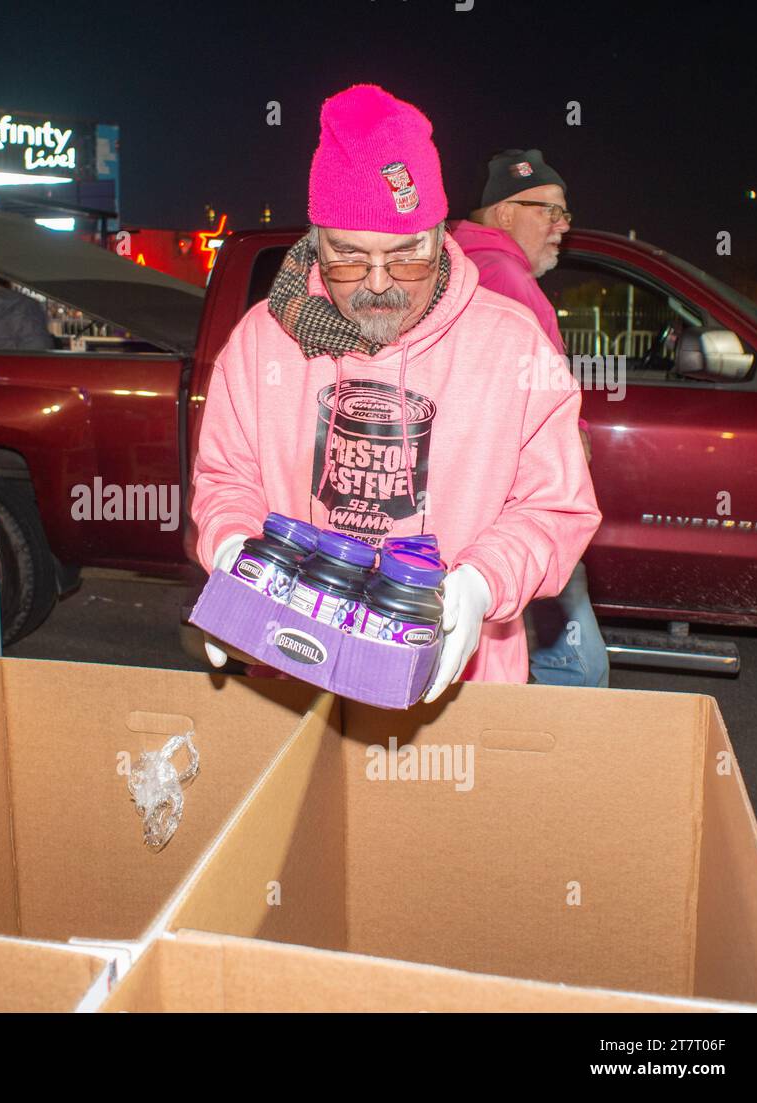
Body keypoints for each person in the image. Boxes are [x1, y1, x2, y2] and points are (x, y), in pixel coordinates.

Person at [190, 85, 600, 701]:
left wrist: (482, 584)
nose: (379, 284)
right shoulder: (262, 342)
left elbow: (555, 507)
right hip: (292, 668)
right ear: (315, 238)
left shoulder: (512, 345)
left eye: (406, 255)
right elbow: (226, 479)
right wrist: (231, 552)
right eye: (348, 256)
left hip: (458, 688)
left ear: (440, 234)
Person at [450, 150, 609, 687]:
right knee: (578, 669)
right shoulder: (503, 278)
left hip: (486, 513)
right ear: (503, 212)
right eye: (550, 211)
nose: (563, 226)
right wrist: (574, 445)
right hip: (517, 511)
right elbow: (535, 411)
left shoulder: (465, 265)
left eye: (565, 214)